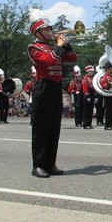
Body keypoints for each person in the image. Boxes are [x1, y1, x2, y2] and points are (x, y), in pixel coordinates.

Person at [27, 9, 78, 178]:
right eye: (47, 29)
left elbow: (72, 58)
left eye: (50, 28)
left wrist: (66, 43)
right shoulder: (34, 47)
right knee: (41, 128)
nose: (51, 31)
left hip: (55, 87)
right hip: (43, 87)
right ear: (38, 32)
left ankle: (50, 163)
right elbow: (49, 60)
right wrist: (58, 45)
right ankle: (39, 165)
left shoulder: (52, 46)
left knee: (54, 127)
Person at [99, 64, 112, 130]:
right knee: (108, 111)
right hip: (107, 95)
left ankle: (110, 124)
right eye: (110, 68)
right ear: (107, 69)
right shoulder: (104, 77)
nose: (111, 69)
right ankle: (107, 125)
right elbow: (103, 86)